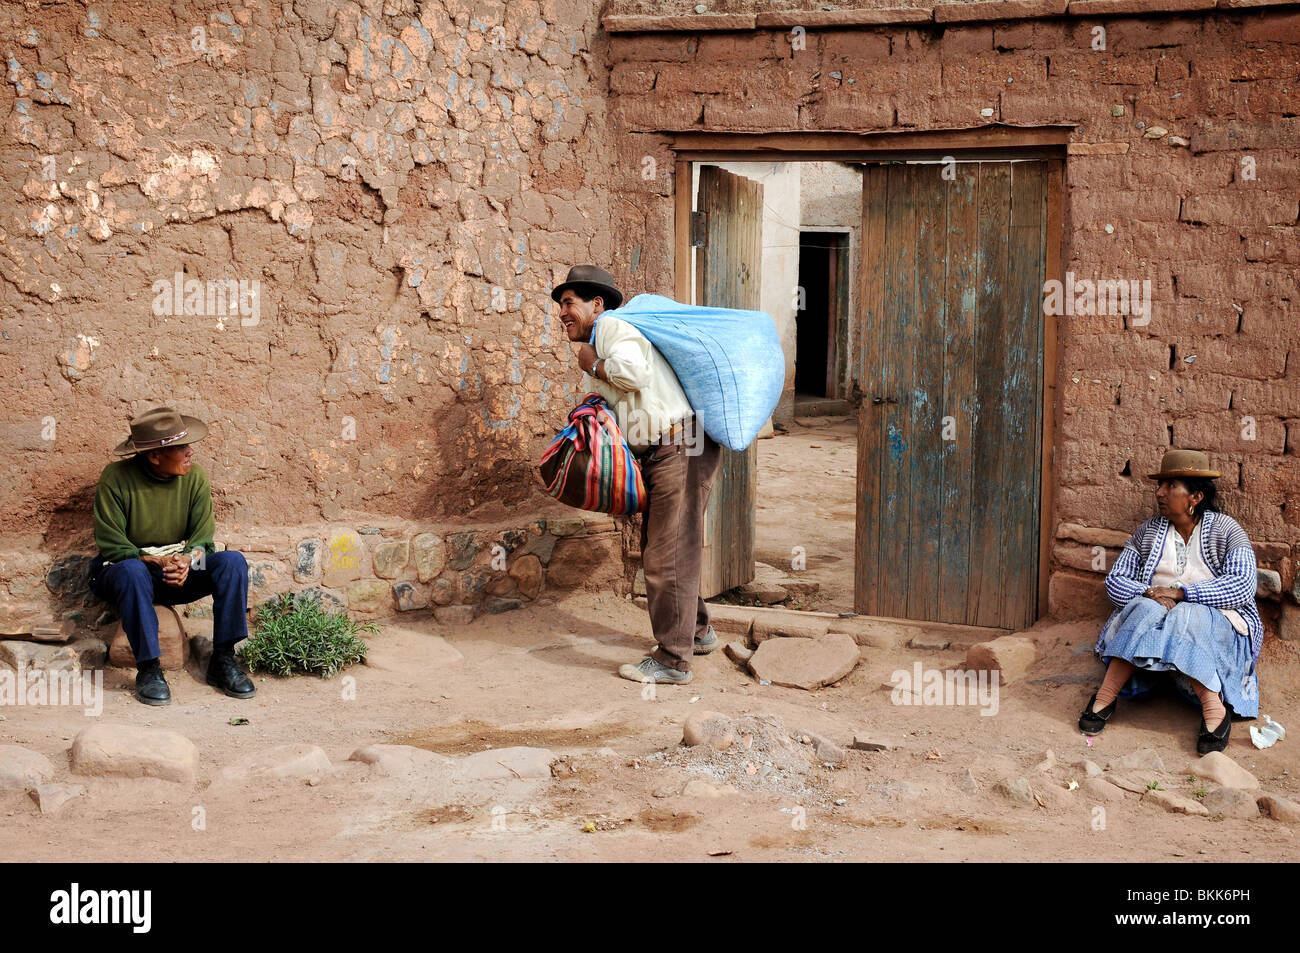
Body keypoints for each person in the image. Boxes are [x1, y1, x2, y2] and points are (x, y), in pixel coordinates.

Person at [552, 264, 722, 686]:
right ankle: (697, 632)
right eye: (559, 306)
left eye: (569, 303)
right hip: (674, 446)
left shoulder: (609, 327)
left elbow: (632, 374)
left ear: (596, 303)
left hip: (680, 444)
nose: (561, 313)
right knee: (665, 547)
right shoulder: (606, 337)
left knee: (666, 554)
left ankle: (673, 660)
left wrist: (592, 364)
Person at [1079, 449, 1261, 753]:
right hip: (1155, 614)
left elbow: (1242, 586)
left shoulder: (1227, 531)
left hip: (1214, 620)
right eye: (1160, 486)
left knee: (1188, 615)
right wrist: (1150, 593)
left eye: (1170, 486)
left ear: (1195, 497)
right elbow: (1115, 581)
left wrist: (1184, 594)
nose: (1160, 493)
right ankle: (1105, 696)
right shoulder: (1148, 531)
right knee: (1143, 609)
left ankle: (1214, 709)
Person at [89, 406, 256, 706]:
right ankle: (149, 669)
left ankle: (223, 659)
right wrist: (156, 561)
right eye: (182, 448)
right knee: (131, 571)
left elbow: (204, 541)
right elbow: (113, 545)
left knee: (232, 562)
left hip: (179, 568)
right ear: (154, 456)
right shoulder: (115, 479)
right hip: (126, 570)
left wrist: (188, 561)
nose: (191, 452)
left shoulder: (195, 478)